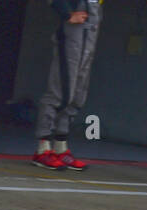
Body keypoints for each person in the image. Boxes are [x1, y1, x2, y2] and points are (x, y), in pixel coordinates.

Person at [34, 0, 102, 172]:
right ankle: (43, 149)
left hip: (88, 40)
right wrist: (67, 14)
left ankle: (60, 149)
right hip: (72, 39)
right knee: (60, 93)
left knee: (77, 96)